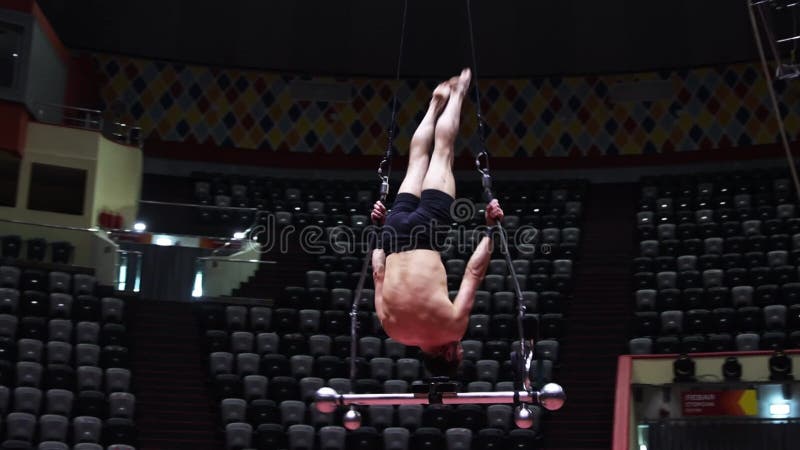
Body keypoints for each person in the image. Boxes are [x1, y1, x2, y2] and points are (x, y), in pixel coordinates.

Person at [369, 68, 504, 378]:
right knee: (416, 160)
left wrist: (490, 229)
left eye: (459, 351)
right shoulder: (393, 331)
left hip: (427, 234)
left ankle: (457, 93)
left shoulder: (452, 328)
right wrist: (381, 228)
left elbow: (473, 272)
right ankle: (433, 104)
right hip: (393, 236)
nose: (460, 345)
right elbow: (378, 269)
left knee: (442, 154)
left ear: (447, 353)